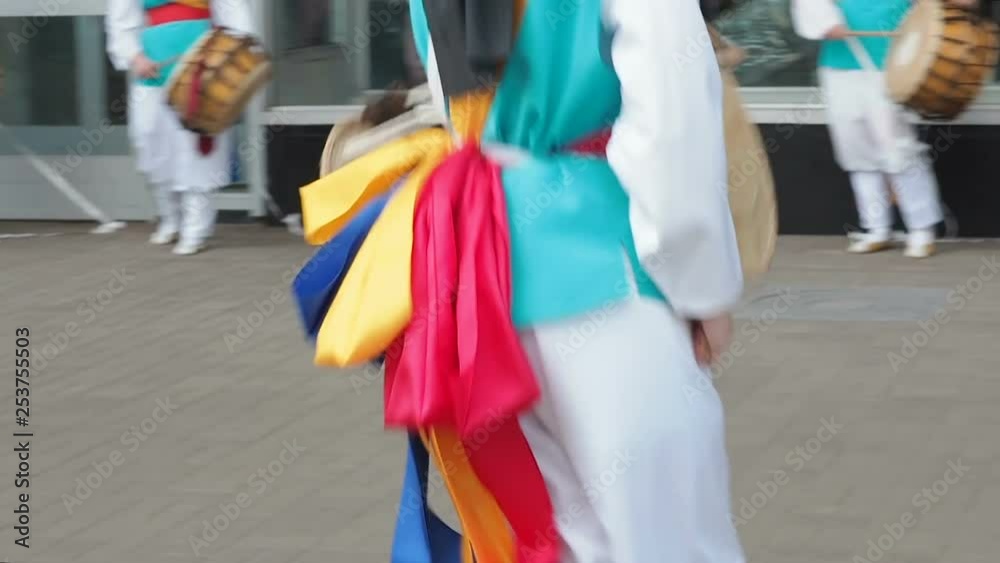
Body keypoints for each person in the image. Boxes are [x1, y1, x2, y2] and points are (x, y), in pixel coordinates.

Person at [294, 0, 747, 560]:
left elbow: (453, 94)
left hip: (483, 273)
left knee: (559, 536)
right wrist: (705, 290)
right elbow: (669, 128)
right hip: (608, 265)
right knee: (667, 535)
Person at [791, 0, 976, 258]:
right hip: (839, 66)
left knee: (899, 149)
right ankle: (876, 228)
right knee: (856, 151)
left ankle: (921, 229)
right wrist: (821, 21)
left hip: (893, 65)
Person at [105, 0, 254, 255]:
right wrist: (135, 56)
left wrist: (229, 52)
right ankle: (170, 218)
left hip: (202, 64)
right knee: (150, 141)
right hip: (153, 68)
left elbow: (233, 12)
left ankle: (196, 229)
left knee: (194, 147)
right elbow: (120, 18)